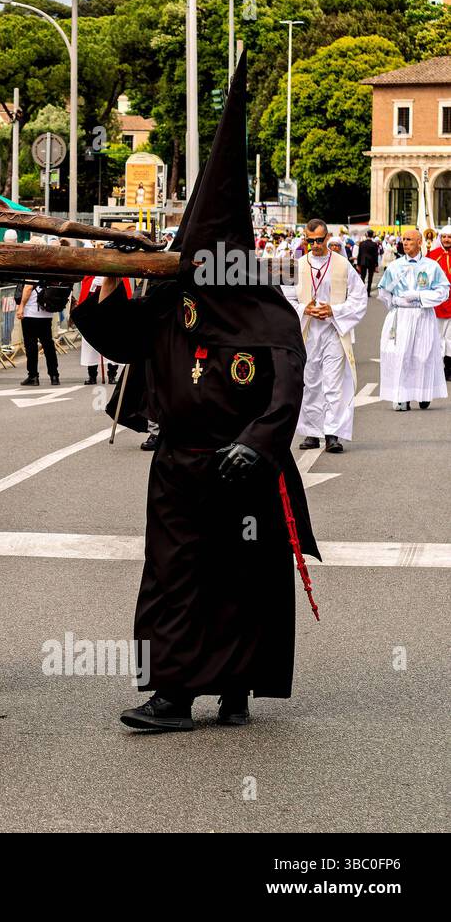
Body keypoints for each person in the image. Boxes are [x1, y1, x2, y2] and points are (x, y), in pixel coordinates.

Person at [71, 54, 318, 732]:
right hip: (178, 464)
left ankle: (235, 686)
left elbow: (288, 389)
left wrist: (258, 444)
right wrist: (93, 286)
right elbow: (123, 340)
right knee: (174, 579)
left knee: (241, 582)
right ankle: (173, 694)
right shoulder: (169, 298)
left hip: (240, 469)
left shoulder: (267, 313)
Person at [288, 219, 368, 453]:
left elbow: (359, 298)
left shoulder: (342, 265)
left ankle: (332, 433)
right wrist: (305, 310)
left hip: (334, 330)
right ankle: (312, 432)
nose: (315, 245)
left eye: (319, 240)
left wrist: (335, 310)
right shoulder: (298, 265)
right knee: (310, 382)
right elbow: (287, 299)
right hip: (308, 331)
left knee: (334, 384)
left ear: (327, 238)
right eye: (310, 240)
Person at [376, 227, 450, 411]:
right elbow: (384, 291)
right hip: (401, 316)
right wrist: (396, 304)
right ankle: (402, 396)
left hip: (423, 314)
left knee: (422, 355)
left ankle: (423, 393)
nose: (405, 243)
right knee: (401, 355)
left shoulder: (431, 266)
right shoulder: (395, 266)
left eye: (409, 239)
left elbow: (443, 291)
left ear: (419, 242)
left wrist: (418, 296)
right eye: (404, 240)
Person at [78, 275, 132, 384]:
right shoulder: (91, 270)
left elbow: (123, 286)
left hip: (113, 308)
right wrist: (94, 284)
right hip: (93, 307)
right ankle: (92, 375)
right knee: (90, 341)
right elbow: (86, 285)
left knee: (113, 341)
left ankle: (112, 374)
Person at [18, 275, 61, 386]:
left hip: (31, 313)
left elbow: (28, 288)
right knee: (48, 345)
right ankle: (54, 375)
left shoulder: (33, 271)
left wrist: (21, 306)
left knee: (31, 345)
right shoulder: (50, 272)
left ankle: (33, 376)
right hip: (46, 313)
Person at [422, 226, 451, 381]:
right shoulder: (432, 256)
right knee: (436, 336)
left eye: (450, 237)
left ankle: (449, 367)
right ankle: (436, 368)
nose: (447, 240)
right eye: (444, 237)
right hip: (436, 303)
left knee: (450, 337)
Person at [355, 230, 380, 296]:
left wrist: (358, 264)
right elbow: (376, 255)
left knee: (362, 277)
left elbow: (359, 254)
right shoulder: (374, 244)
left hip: (363, 262)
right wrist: (376, 265)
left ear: (366, 234)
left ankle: (362, 292)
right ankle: (368, 292)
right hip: (371, 262)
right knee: (370, 278)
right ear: (372, 235)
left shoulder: (362, 243)